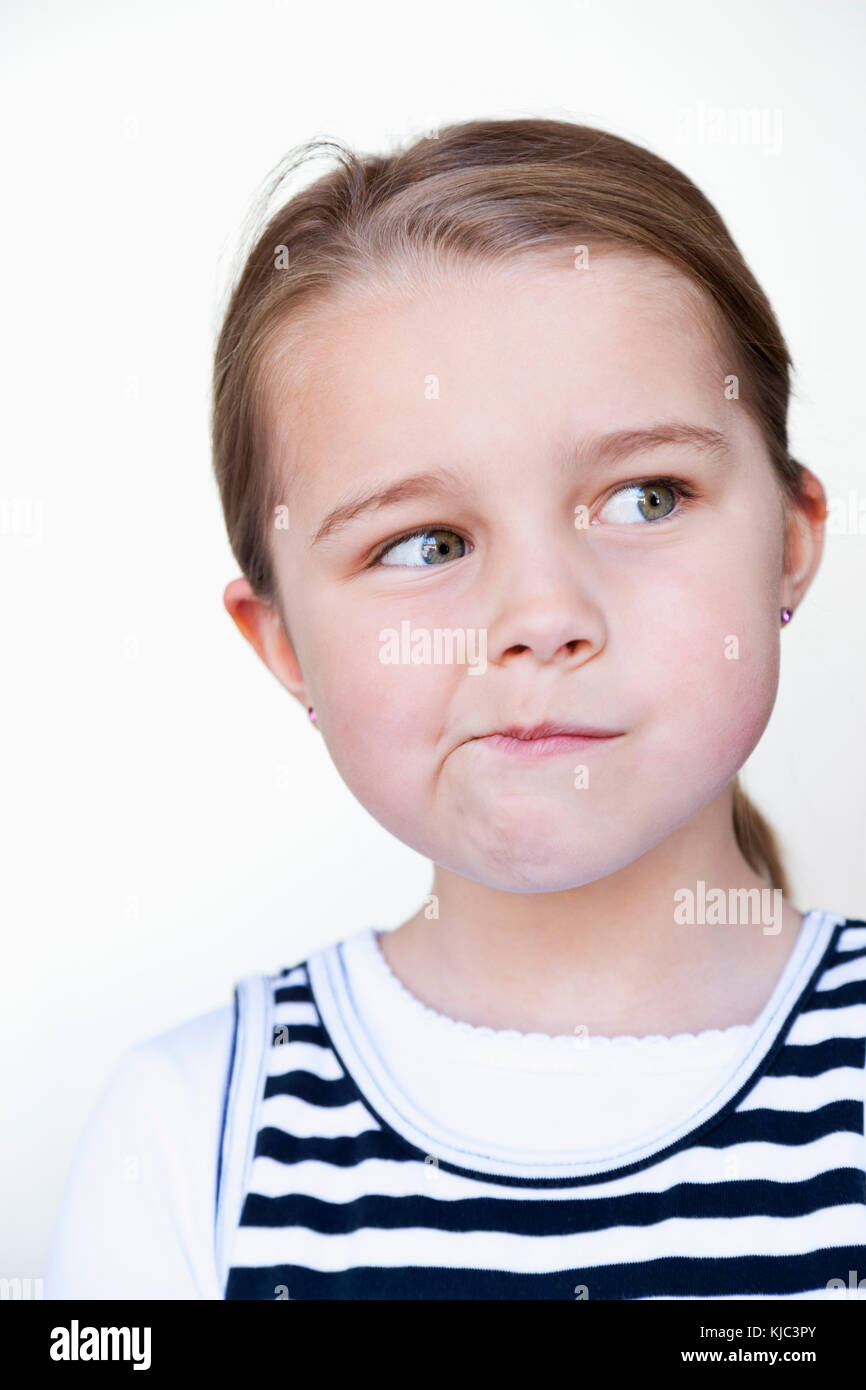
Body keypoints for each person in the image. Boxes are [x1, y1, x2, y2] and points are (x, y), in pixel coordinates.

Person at [46, 117, 866, 1300]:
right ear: (284, 644)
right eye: (423, 541)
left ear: (788, 545)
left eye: (644, 496)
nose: (540, 614)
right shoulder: (186, 1142)